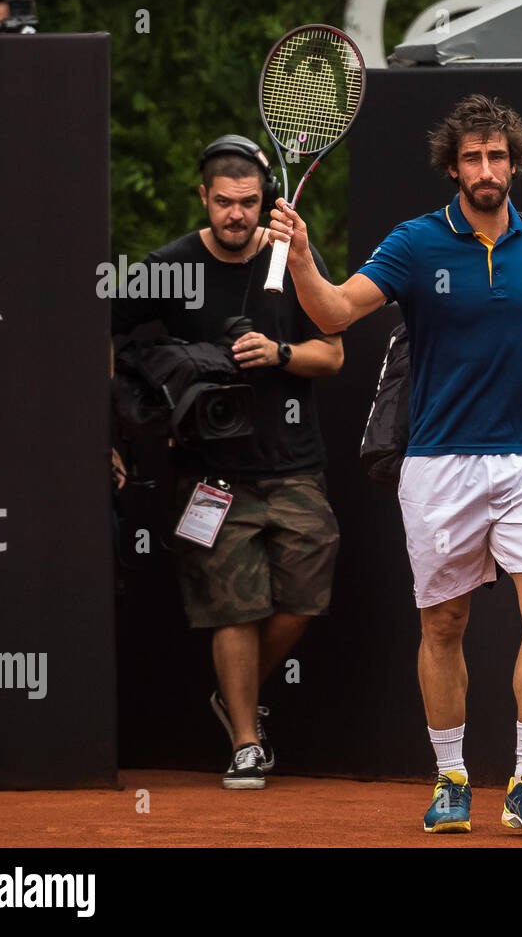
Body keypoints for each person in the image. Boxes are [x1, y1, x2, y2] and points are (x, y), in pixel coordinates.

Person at [269, 94, 522, 837]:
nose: (486, 169)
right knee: (443, 624)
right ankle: (451, 779)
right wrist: (304, 260)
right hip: (439, 464)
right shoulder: (414, 244)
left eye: (497, 155)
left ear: (515, 161)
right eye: (472, 157)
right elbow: (337, 312)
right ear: (452, 166)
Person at [111, 135, 343, 790]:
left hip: (295, 463)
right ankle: (245, 740)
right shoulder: (170, 266)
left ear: (264, 199)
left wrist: (280, 353)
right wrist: (114, 424)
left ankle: (231, 693)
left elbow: (335, 353)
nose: (236, 215)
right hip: (207, 473)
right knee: (232, 607)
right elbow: (104, 328)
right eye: (223, 203)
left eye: (247, 202)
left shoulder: (290, 255)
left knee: (301, 598)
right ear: (203, 198)